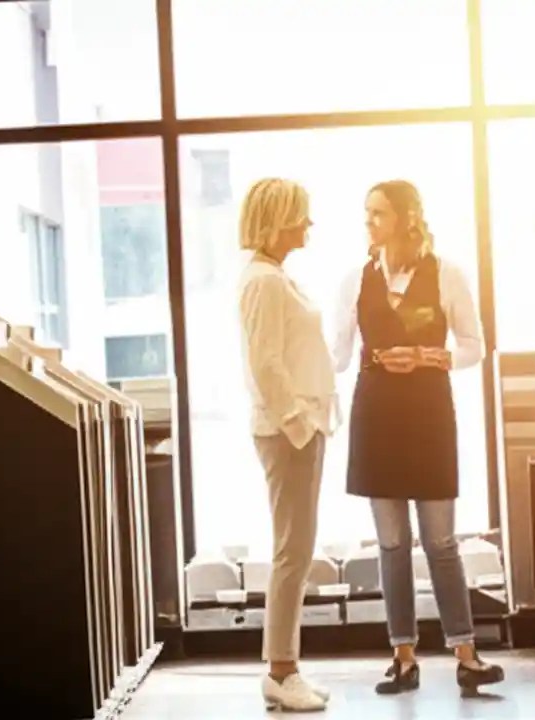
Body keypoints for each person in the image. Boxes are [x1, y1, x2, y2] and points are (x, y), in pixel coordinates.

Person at [330, 180, 504, 697]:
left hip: (429, 412)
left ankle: (466, 654)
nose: (369, 222)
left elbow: (475, 346)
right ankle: (402, 656)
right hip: (376, 413)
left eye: (378, 213)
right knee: (391, 542)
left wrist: (433, 356)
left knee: (440, 540)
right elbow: (337, 353)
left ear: (407, 218)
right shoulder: (354, 279)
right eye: (366, 213)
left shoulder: (446, 273)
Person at [237, 177, 337, 712]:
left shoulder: (275, 277)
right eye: (301, 215)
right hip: (287, 432)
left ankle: (286, 666)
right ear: (277, 220)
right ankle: (280, 670)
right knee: (291, 552)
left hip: (299, 428)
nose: (308, 224)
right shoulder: (264, 282)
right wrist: (299, 423)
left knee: (296, 551)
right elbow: (265, 362)